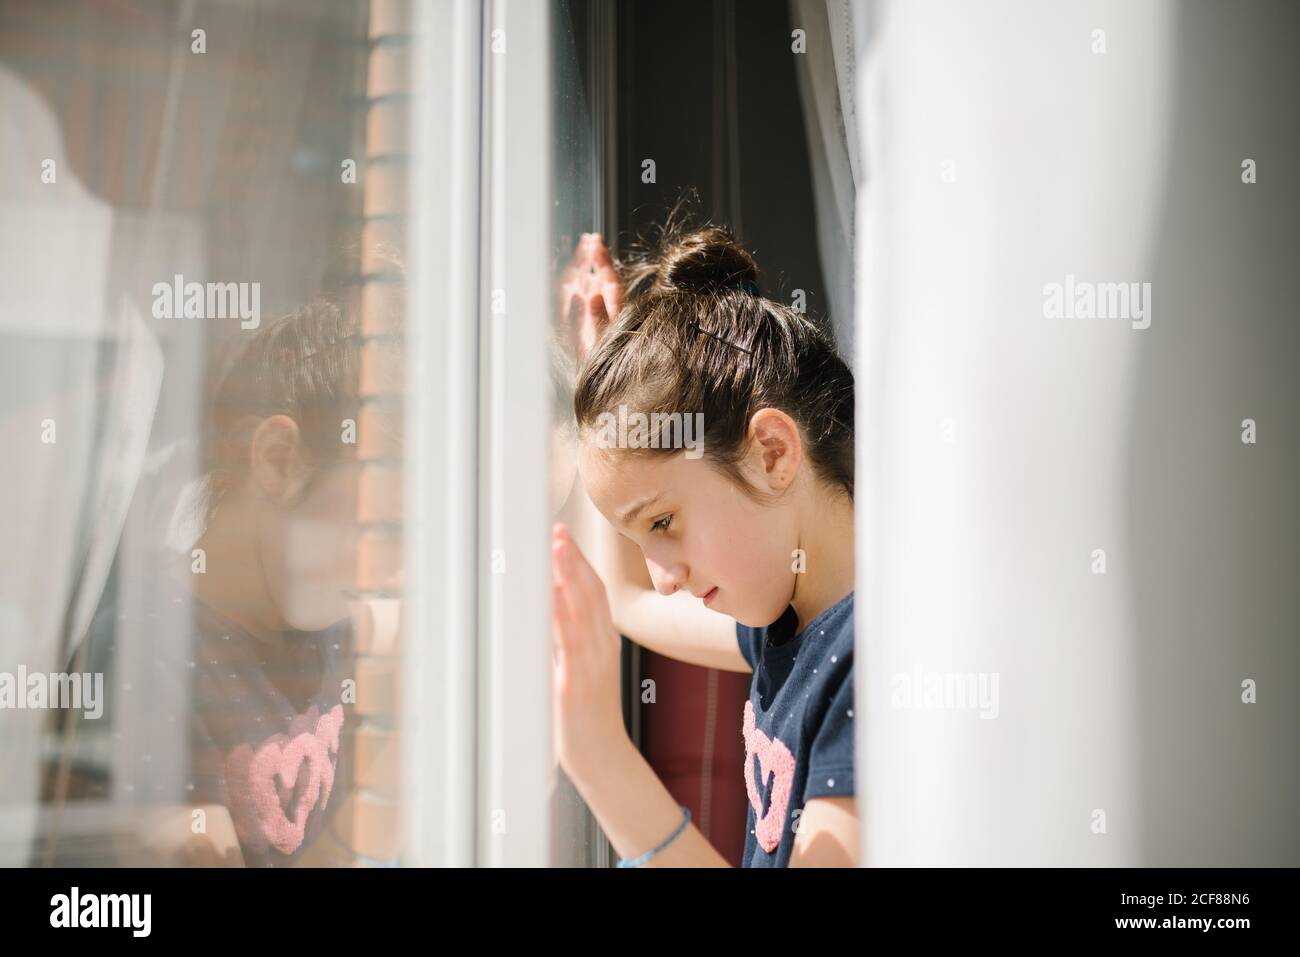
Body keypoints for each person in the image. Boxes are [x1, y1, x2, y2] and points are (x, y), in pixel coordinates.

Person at [551, 219, 859, 867]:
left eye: (662, 523)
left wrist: (602, 761)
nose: (663, 575)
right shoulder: (791, 623)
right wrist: (599, 381)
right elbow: (630, 600)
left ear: (772, 453)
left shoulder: (874, 662)